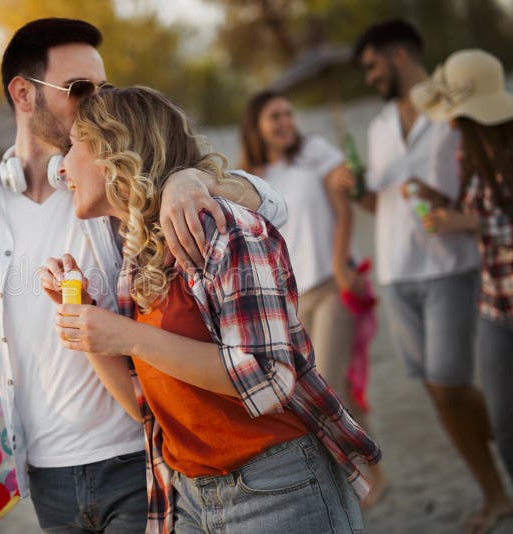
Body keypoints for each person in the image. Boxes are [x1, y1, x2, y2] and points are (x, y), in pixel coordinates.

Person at [0, 18, 289, 533]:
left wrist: (191, 180)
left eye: (102, 88)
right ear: (23, 93)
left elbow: (274, 206)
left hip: (140, 456)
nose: (96, 102)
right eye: (80, 89)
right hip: (44, 476)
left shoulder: (111, 184)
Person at [40, 85, 381, 534]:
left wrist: (126, 335)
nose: (59, 169)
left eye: (72, 147)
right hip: (187, 495)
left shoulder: (222, 228)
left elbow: (267, 377)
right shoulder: (137, 255)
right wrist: (88, 327)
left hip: (278, 489)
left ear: (113, 149)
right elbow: (145, 405)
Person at [329, 18, 513, 532]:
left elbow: (482, 184)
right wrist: (354, 188)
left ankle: (510, 434)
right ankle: (496, 492)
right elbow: (379, 205)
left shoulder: (455, 109)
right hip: (396, 272)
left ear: (398, 55)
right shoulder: (378, 125)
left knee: (449, 381)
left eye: (371, 65)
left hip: (451, 266)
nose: (370, 77)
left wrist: (454, 211)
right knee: (438, 391)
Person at [410, 48, 513, 534]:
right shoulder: (467, 152)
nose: (449, 126)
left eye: (455, 116)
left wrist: (465, 221)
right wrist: (441, 204)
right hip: (497, 307)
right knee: (507, 425)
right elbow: (483, 217)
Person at [239, 89, 387, 507]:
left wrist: (342, 264)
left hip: (332, 284)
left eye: (289, 113)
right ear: (256, 125)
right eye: (275, 116)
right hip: (289, 298)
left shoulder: (316, 151)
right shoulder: (250, 176)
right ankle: (366, 469)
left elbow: (343, 210)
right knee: (316, 391)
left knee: (330, 383)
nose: (286, 122)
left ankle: (372, 475)